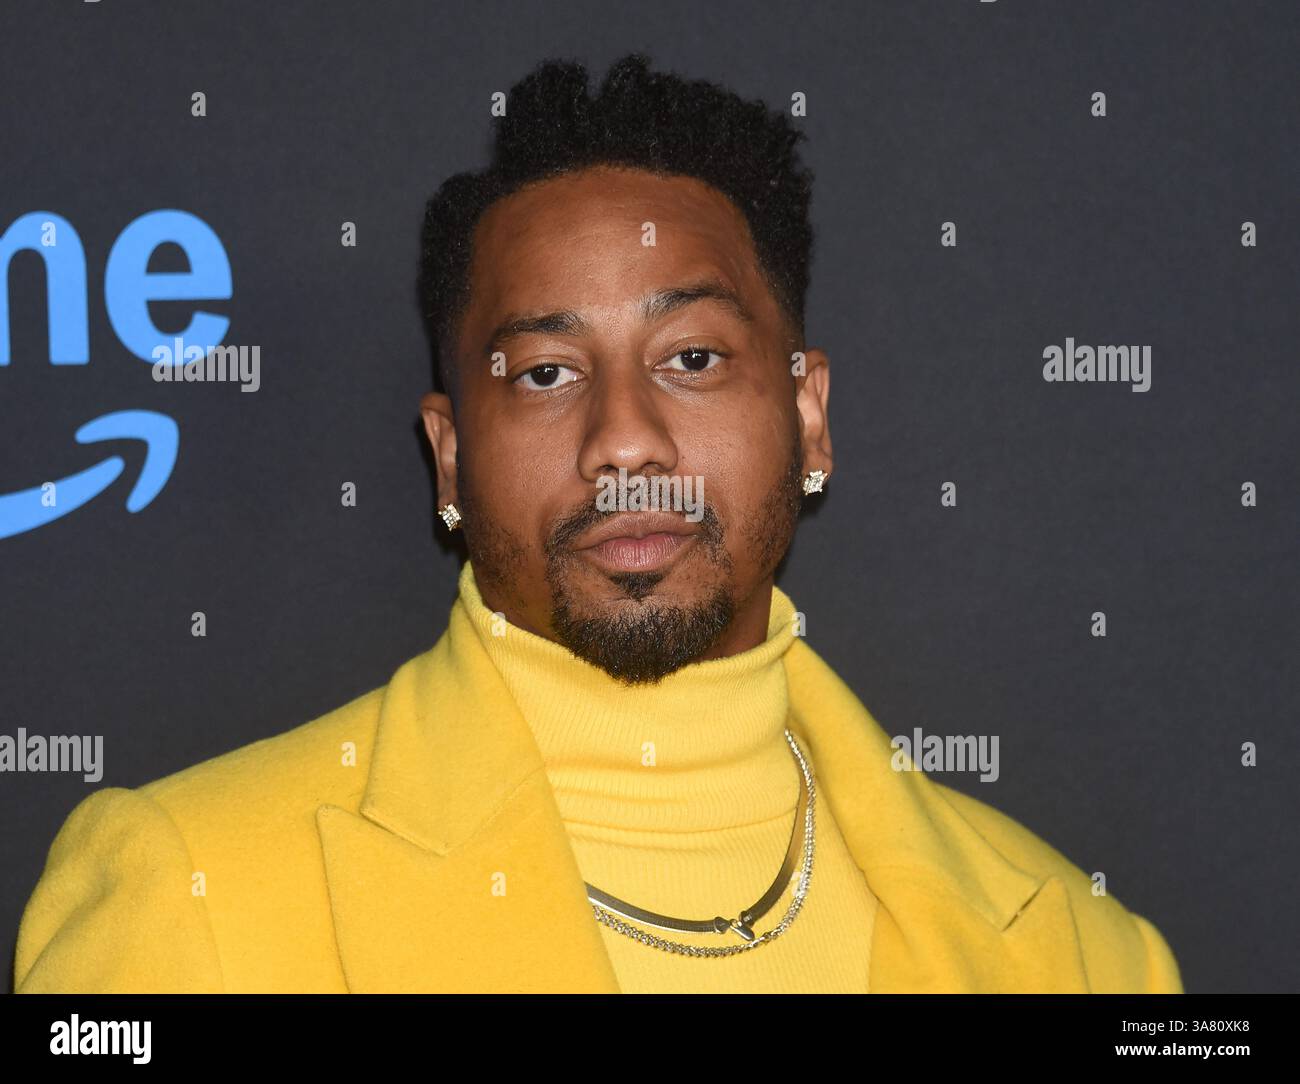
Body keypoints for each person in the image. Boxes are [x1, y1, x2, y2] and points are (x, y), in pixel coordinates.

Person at [14, 53, 1182, 994]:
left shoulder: (1079, 955)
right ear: (450, 454)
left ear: (808, 416)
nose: (624, 439)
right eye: (542, 373)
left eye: (691, 356)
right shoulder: (190, 888)